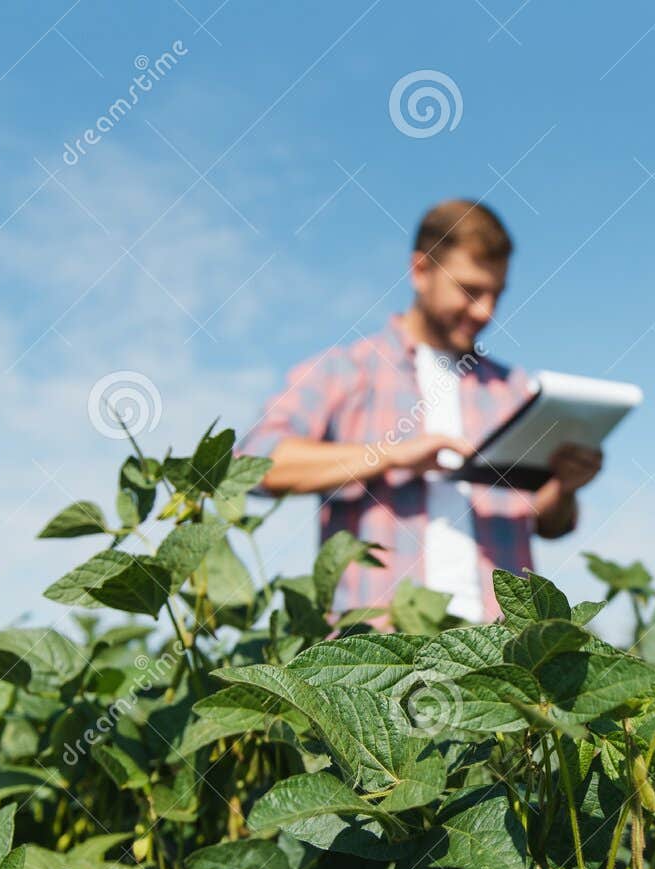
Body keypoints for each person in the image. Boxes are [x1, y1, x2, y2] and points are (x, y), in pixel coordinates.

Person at [237, 199, 604, 621]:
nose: (485, 311)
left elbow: (549, 525)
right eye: (469, 291)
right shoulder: (346, 369)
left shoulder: (514, 390)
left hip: (500, 648)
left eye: (496, 294)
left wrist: (566, 487)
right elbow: (255, 465)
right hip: (381, 648)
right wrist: (388, 454)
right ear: (421, 271)